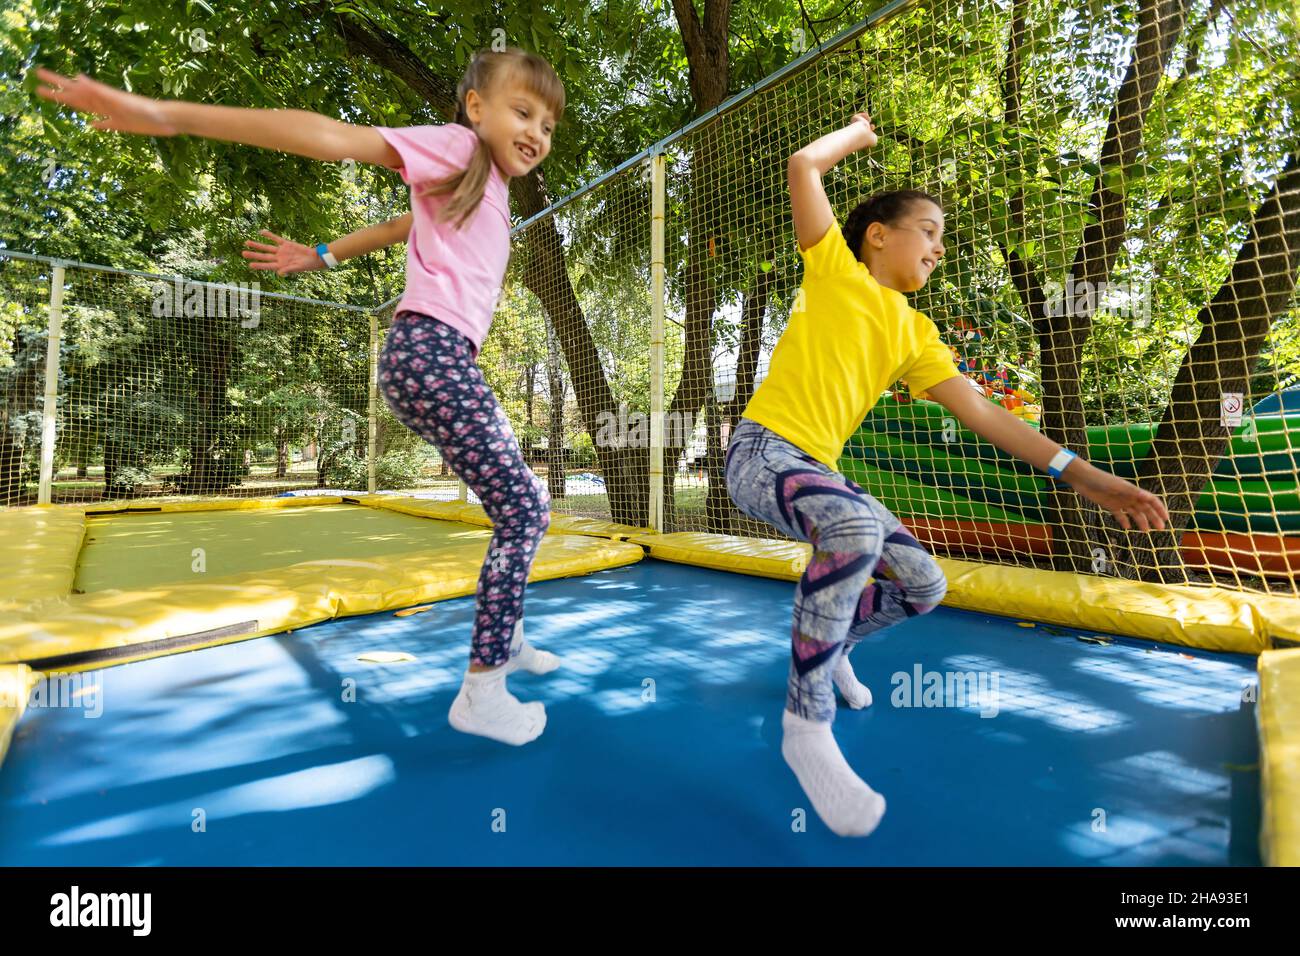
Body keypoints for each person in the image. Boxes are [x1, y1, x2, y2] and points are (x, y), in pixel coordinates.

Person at [35, 47, 569, 747]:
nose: (537, 132)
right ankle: (484, 690)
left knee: (523, 499)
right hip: (431, 354)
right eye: (522, 111)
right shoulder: (458, 148)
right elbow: (331, 136)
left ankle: (510, 630)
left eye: (549, 125)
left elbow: (398, 227)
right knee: (525, 507)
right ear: (475, 108)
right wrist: (166, 114)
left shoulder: (479, 184)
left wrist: (322, 254)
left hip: (434, 360)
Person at [725, 112, 1170, 836]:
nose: (939, 245)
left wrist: (1083, 475)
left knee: (925, 585)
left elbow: (987, 416)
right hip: (762, 453)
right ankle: (805, 728)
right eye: (927, 229)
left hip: (818, 468)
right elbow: (805, 166)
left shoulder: (916, 333)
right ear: (877, 234)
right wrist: (859, 135)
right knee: (853, 525)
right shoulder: (833, 266)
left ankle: (833, 643)